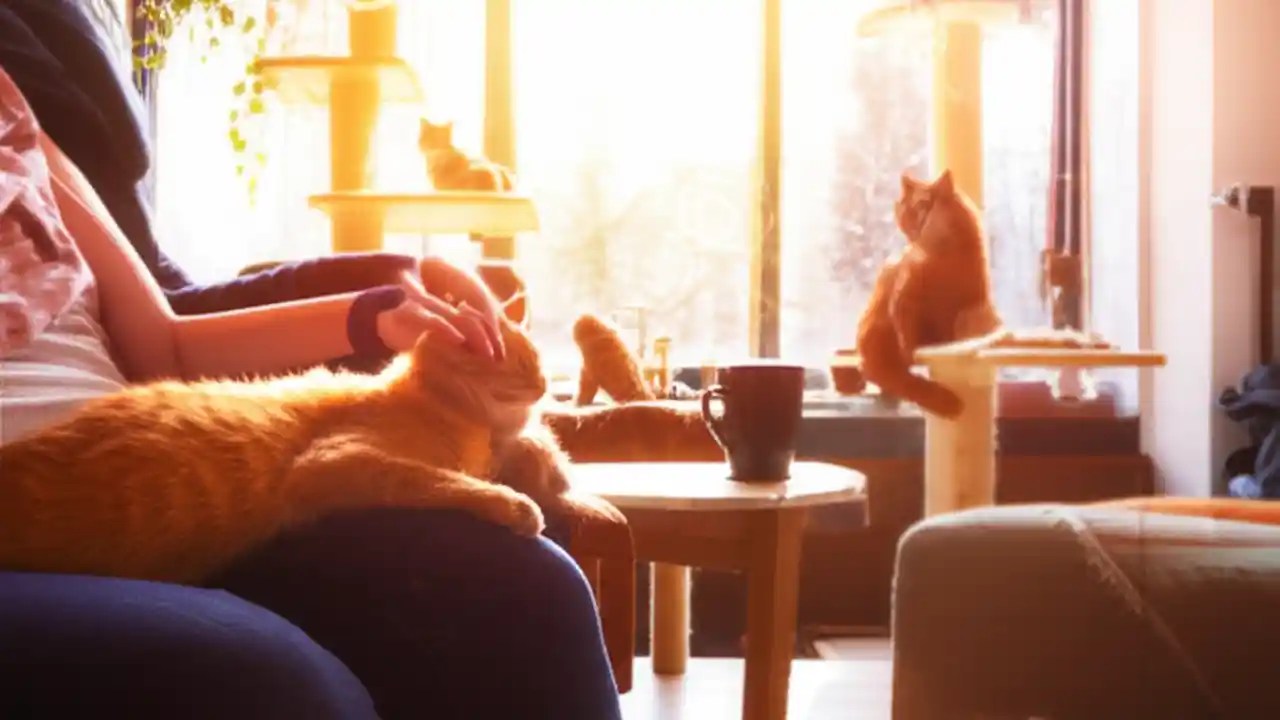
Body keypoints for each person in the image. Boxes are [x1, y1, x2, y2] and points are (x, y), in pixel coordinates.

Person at [0, 65, 622, 720]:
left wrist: (386, 314)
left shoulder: (17, 119)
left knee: (531, 590)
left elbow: (168, 347)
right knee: (274, 683)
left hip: (145, 469)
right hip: (31, 513)